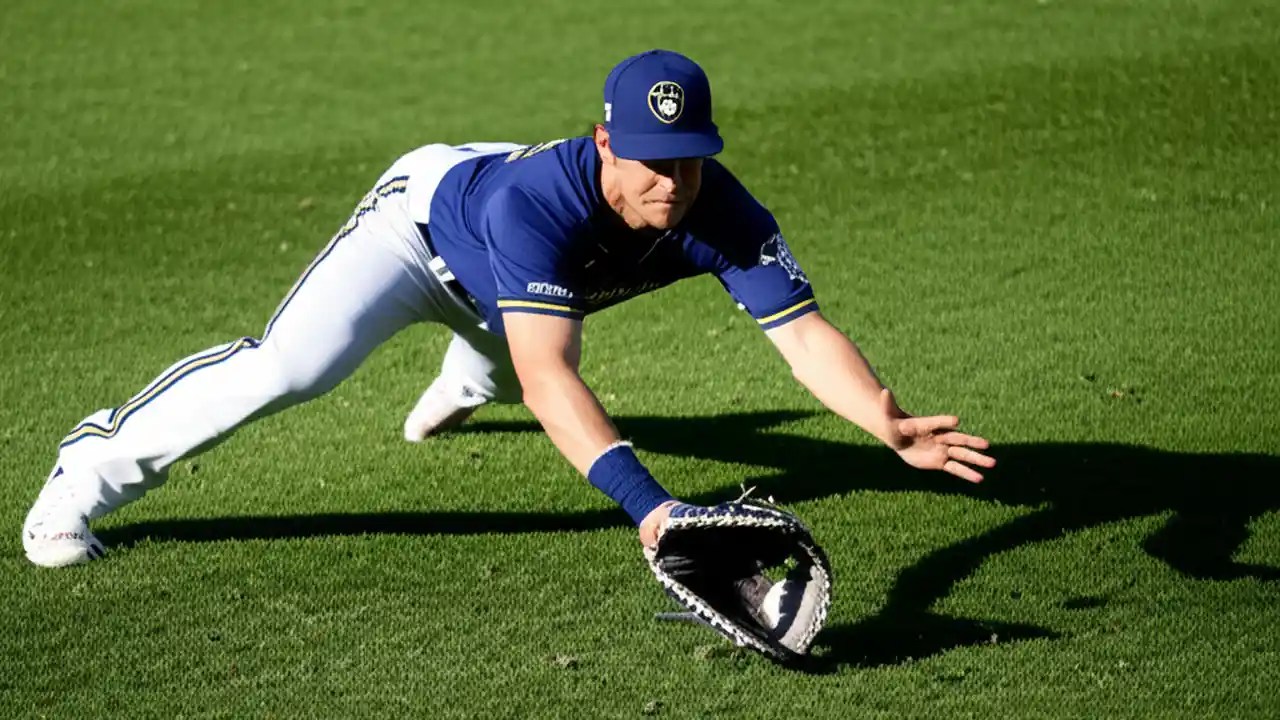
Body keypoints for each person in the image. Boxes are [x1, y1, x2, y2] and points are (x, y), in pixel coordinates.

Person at [22, 49, 995, 568]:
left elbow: (803, 337)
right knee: (293, 368)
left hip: (524, 289)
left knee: (515, 334)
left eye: (691, 159)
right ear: (604, 143)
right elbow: (549, 375)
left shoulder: (720, 209)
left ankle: (464, 375)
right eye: (652, 162)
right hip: (419, 239)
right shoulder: (537, 206)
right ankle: (82, 473)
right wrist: (651, 508)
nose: (672, 182)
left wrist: (882, 420)